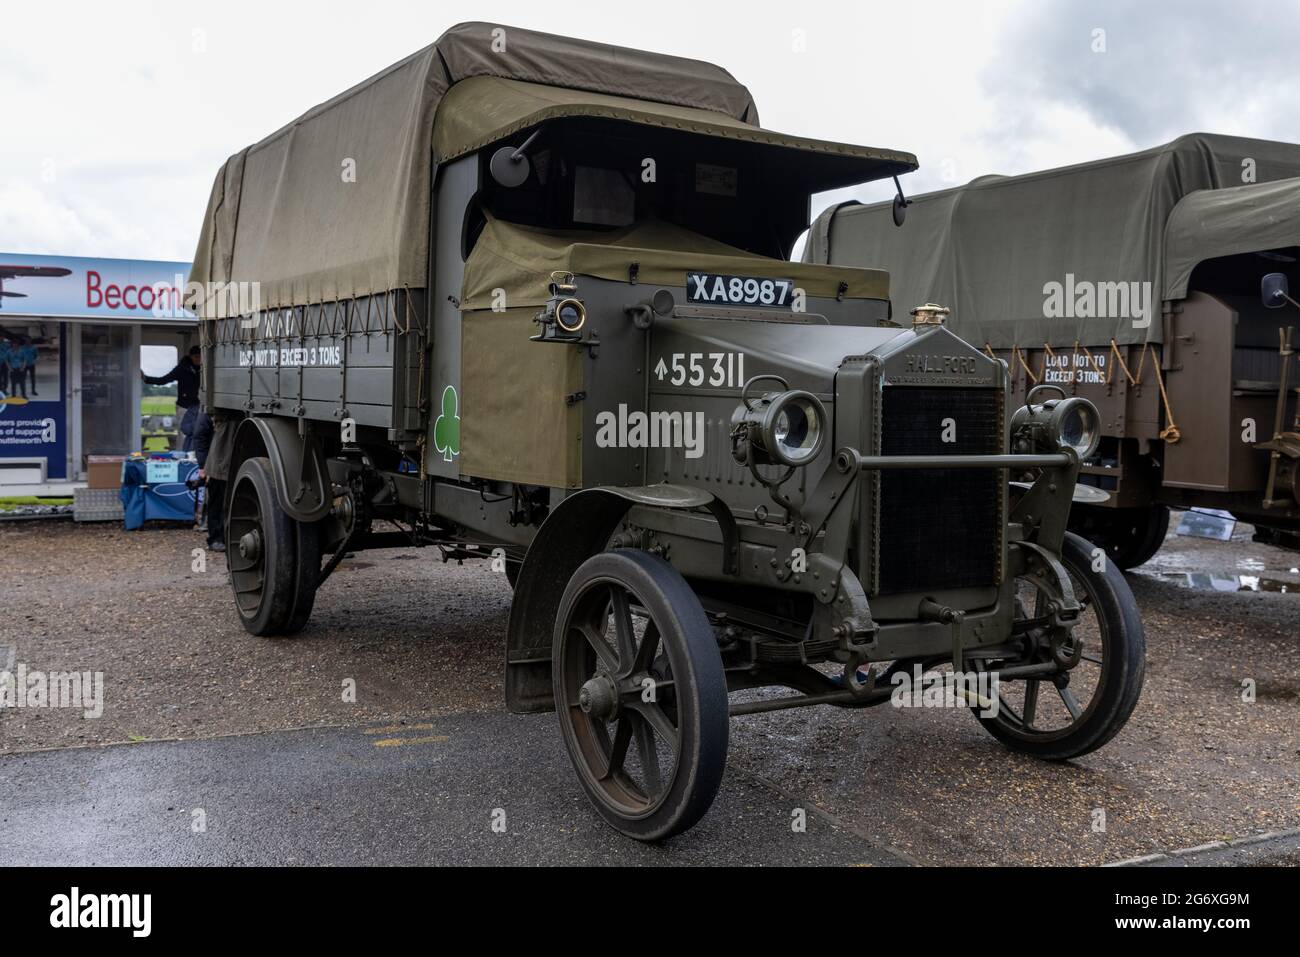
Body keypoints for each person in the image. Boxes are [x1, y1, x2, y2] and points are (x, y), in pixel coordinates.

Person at [191, 406, 234, 552]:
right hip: (216, 463)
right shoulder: (206, 413)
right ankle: (216, 538)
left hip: (222, 462)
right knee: (217, 503)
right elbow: (200, 437)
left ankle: (225, 537)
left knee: (222, 503)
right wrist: (203, 466)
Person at [143, 345, 202, 451]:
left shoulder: (204, 370)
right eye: (196, 357)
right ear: (190, 357)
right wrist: (146, 378)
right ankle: (183, 457)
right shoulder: (181, 368)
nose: (199, 359)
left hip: (199, 406)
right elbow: (163, 380)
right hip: (184, 406)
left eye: (200, 357)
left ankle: (195, 457)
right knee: (183, 433)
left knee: (198, 432)